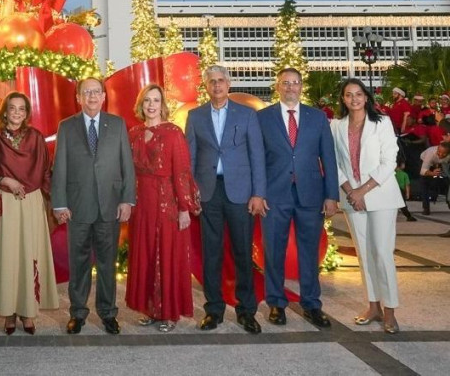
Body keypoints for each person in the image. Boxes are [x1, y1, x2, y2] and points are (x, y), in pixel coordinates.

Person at [185, 65, 267, 334]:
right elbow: (190, 158)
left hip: (241, 193)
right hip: (208, 192)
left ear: (228, 84)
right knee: (212, 253)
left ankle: (246, 311)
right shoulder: (195, 116)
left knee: (243, 252)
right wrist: (191, 193)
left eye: (221, 81)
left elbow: (257, 155)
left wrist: (258, 193)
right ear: (206, 86)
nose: (217, 85)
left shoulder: (246, 114)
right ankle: (214, 310)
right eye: (212, 81)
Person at [51, 77, 136, 335]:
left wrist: (127, 199)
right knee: (79, 264)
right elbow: (60, 167)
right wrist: (59, 204)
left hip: (110, 205)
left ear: (104, 96)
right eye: (86, 92)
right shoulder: (67, 126)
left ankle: (108, 313)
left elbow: (127, 165)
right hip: (77, 206)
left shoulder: (117, 124)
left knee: (108, 264)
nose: (92, 97)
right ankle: (78, 313)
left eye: (96, 92)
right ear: (78, 97)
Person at [0, 92, 58, 335]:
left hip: (29, 203)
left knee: (28, 256)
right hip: (3, 205)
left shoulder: (36, 138)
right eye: (12, 108)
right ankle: (8, 313)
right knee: (7, 257)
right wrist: (4, 180)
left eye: (21, 109)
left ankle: (28, 312)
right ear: (5, 112)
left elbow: (46, 172)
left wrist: (59, 202)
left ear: (26, 113)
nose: (17, 112)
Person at [257, 68, 339, 328]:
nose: (290, 87)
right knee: (273, 251)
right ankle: (276, 303)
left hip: (311, 194)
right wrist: (258, 193)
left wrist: (332, 195)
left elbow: (329, 158)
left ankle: (312, 304)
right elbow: (256, 159)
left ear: (301, 86)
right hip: (274, 194)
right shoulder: (263, 117)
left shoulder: (318, 118)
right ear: (277, 86)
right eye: (285, 83)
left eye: (295, 83)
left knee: (309, 251)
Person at [330, 78, 404, 334]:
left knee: (382, 253)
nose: (354, 99)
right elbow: (334, 162)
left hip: (380, 195)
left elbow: (389, 160)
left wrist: (363, 190)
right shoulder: (336, 126)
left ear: (366, 97)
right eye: (349, 95)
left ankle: (390, 310)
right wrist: (351, 192)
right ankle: (373, 307)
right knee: (364, 253)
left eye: (359, 94)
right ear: (343, 99)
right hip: (352, 198)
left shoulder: (382, 122)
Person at [125, 84, 200, 332]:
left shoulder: (173, 133)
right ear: (141, 104)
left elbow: (182, 172)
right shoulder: (134, 133)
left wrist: (184, 208)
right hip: (142, 205)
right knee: (146, 254)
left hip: (167, 203)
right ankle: (150, 309)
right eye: (147, 100)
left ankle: (168, 313)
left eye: (156, 100)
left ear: (162, 105)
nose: (151, 105)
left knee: (167, 255)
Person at [419, 141, 450, 215]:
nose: (440, 154)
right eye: (439, 152)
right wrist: (432, 173)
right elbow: (422, 171)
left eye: (444, 153)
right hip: (427, 164)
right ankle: (426, 208)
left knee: (447, 182)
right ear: (437, 148)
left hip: (441, 164)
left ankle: (449, 200)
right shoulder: (431, 153)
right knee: (425, 185)